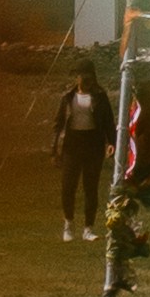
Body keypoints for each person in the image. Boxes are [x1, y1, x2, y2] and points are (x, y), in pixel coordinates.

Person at [52, 66, 111, 243]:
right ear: (77, 78)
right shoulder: (68, 97)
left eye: (89, 78)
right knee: (68, 186)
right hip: (72, 144)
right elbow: (58, 124)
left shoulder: (100, 97)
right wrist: (54, 150)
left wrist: (111, 143)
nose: (86, 82)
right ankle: (68, 225)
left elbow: (108, 121)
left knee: (90, 187)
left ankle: (88, 229)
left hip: (93, 143)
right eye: (83, 78)